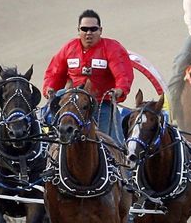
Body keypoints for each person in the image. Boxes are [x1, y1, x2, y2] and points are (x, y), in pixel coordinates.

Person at [42, 9, 133, 144]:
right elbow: (54, 73)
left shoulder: (112, 48)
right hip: (73, 102)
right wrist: (49, 89)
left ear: (100, 30)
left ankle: (118, 162)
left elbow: (123, 74)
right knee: (50, 130)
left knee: (114, 142)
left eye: (93, 29)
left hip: (101, 103)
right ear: (78, 30)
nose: (88, 33)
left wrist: (120, 89)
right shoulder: (68, 48)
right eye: (84, 29)